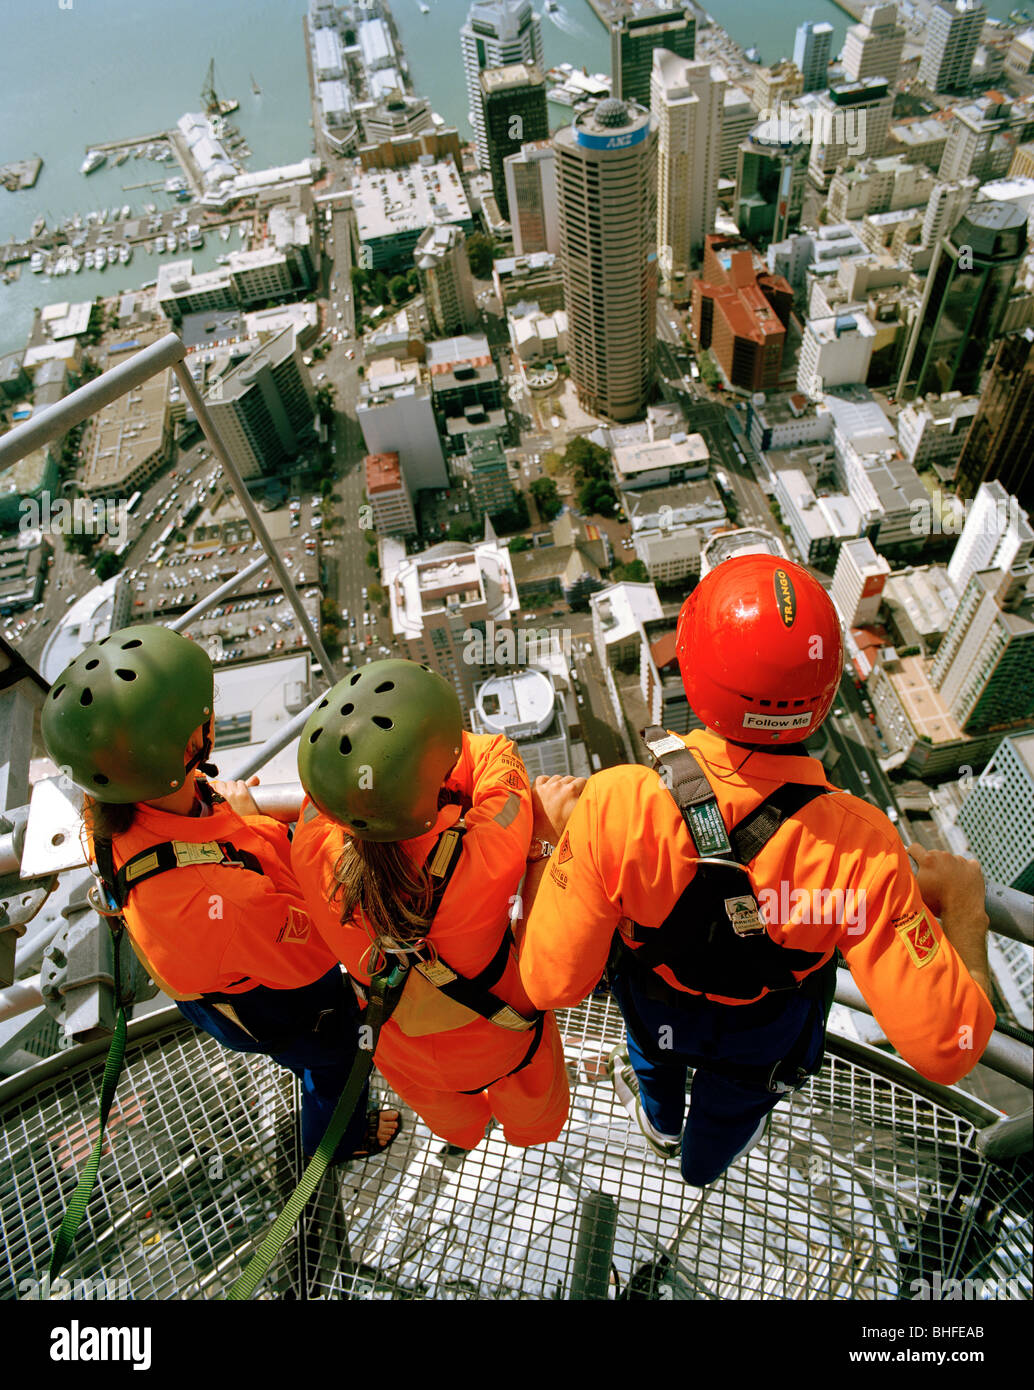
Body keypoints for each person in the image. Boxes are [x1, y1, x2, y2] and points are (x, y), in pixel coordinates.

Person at [518, 555, 996, 1188]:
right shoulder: (862, 848)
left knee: (654, 1060)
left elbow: (550, 983)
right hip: (762, 1034)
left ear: (692, 668)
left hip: (656, 1004)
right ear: (823, 696)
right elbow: (952, 1047)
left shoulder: (619, 804)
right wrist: (965, 908)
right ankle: (700, 1165)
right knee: (737, 1102)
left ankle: (660, 1123)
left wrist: (550, 848)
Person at [41, 624, 399, 1164]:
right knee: (339, 1061)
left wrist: (225, 813)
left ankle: (310, 1074)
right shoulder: (228, 901)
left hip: (219, 992)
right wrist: (263, 828)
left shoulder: (104, 815)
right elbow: (324, 943)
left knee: (302, 1049)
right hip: (270, 993)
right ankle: (342, 1140)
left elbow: (190, 853)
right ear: (191, 744)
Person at [291, 658, 570, 1154]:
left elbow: (322, 798)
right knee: (532, 1100)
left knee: (446, 1111)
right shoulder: (486, 848)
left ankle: (464, 1136)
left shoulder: (310, 853)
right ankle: (529, 1136)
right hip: (502, 1030)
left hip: (396, 1043)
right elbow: (498, 761)